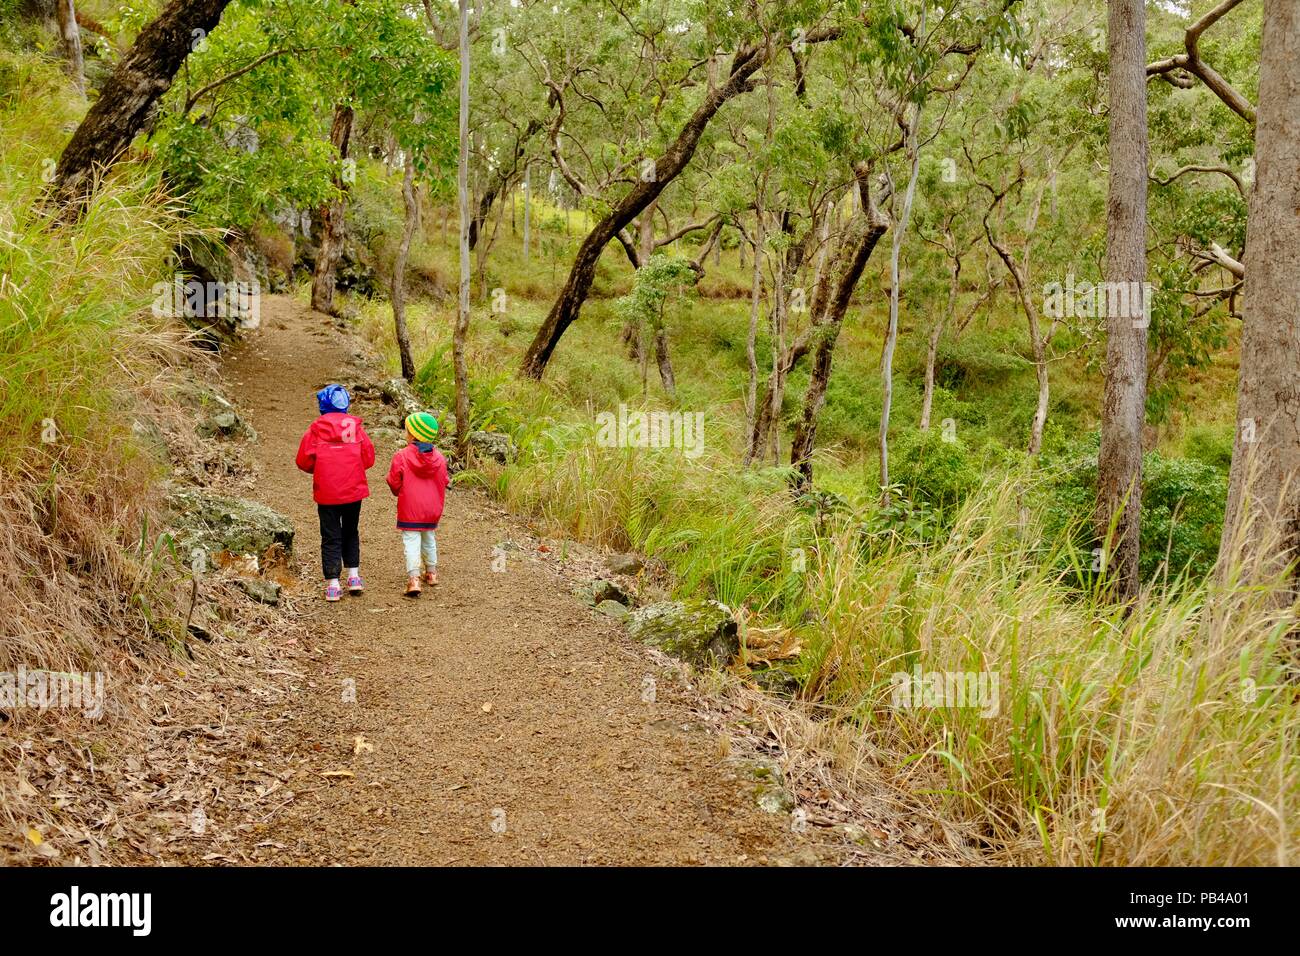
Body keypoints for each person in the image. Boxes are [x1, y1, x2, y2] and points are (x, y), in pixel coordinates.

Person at [295, 384, 375, 601]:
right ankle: (354, 576)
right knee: (351, 530)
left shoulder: (316, 429)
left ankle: (332, 584)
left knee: (330, 535)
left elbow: (303, 460)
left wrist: (320, 468)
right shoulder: (355, 428)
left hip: (327, 492)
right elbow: (368, 457)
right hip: (353, 489)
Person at [385, 412, 449, 597]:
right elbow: (444, 480)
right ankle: (432, 572)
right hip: (432, 509)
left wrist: (398, 491)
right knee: (429, 538)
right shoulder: (439, 458)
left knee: (411, 542)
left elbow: (394, 481)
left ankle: (414, 579)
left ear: (413, 435)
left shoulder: (402, 456)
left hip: (411, 509)